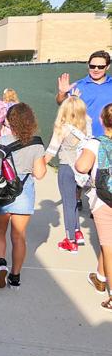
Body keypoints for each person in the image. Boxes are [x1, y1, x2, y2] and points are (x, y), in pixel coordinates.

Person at [0, 103, 46, 289]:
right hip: (24, 192)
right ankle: (15, 277)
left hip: (2, 191)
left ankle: (1, 263)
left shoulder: (0, 141)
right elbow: (40, 173)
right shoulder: (37, 143)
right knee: (19, 237)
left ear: (8, 121)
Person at [75, 103, 112, 310]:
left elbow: (82, 166)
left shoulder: (95, 144)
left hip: (104, 199)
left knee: (108, 245)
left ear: (101, 120)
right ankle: (100, 277)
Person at [43, 96, 92, 253]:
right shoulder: (87, 125)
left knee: (68, 204)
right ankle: (77, 231)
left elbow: (51, 151)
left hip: (66, 168)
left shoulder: (62, 128)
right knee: (74, 201)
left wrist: (39, 165)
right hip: (82, 169)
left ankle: (70, 240)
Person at [57, 51, 112, 137]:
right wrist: (62, 93)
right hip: (84, 138)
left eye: (100, 67)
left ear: (107, 67)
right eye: (92, 66)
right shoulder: (78, 86)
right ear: (88, 65)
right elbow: (62, 103)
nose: (96, 69)